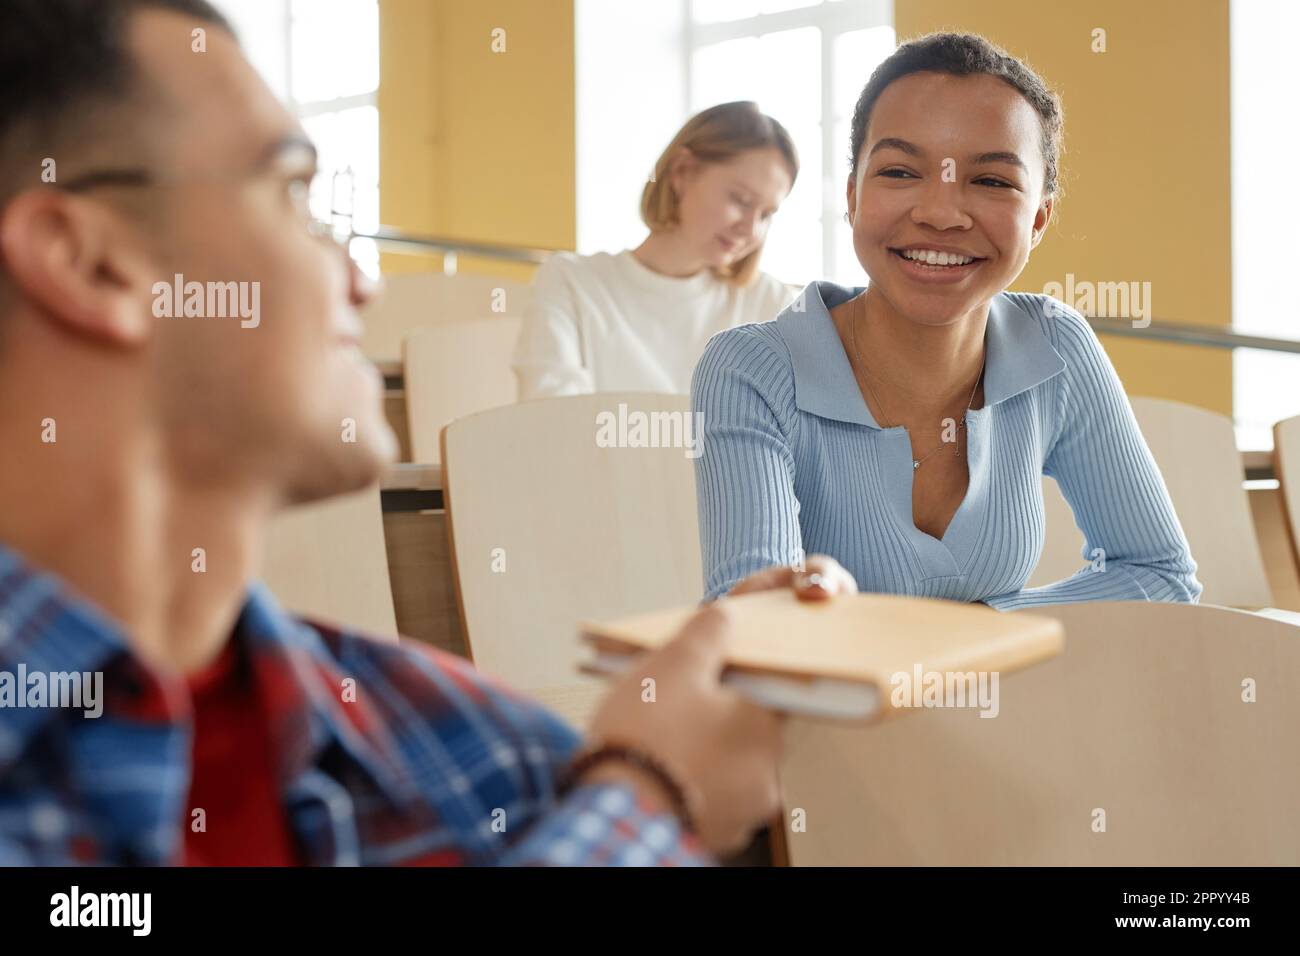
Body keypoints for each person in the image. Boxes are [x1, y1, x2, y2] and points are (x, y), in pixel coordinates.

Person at [0, 0, 859, 866]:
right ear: (90, 262)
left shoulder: (484, 749)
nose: (362, 277)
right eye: (291, 190)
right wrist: (646, 799)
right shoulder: (596, 784)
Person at [691, 32, 1201, 608]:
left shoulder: (1057, 346)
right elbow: (758, 626)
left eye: (991, 181)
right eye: (901, 172)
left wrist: (976, 636)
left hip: (1009, 699)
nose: (939, 214)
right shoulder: (752, 371)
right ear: (853, 197)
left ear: (1038, 220)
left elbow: (1158, 574)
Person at [512, 101, 799, 400]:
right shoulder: (570, 281)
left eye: (766, 214)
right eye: (740, 200)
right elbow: (549, 420)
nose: (751, 229)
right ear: (682, 173)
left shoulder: (768, 303)